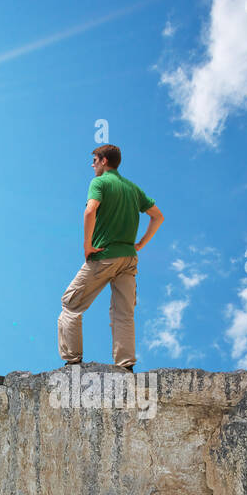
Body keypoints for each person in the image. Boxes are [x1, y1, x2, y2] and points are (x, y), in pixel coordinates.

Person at [57, 144, 163, 371]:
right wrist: (140, 244)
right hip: (128, 259)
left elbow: (90, 210)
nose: (92, 164)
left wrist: (87, 245)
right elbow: (158, 216)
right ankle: (125, 365)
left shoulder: (99, 182)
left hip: (104, 256)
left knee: (71, 304)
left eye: (94, 159)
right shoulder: (133, 188)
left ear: (104, 161)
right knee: (124, 313)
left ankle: (73, 362)